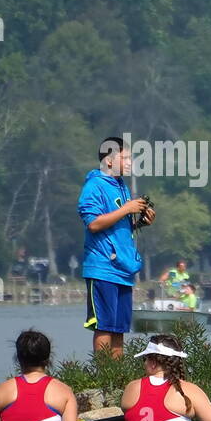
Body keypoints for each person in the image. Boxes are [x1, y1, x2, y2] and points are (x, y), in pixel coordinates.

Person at [80, 137, 154, 358]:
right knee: (104, 326)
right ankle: (103, 380)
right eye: (126, 157)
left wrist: (139, 221)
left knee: (119, 328)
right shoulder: (94, 186)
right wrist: (127, 209)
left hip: (123, 268)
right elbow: (93, 224)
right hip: (102, 266)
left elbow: (117, 226)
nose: (130, 162)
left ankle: (116, 380)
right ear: (109, 161)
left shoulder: (120, 186)